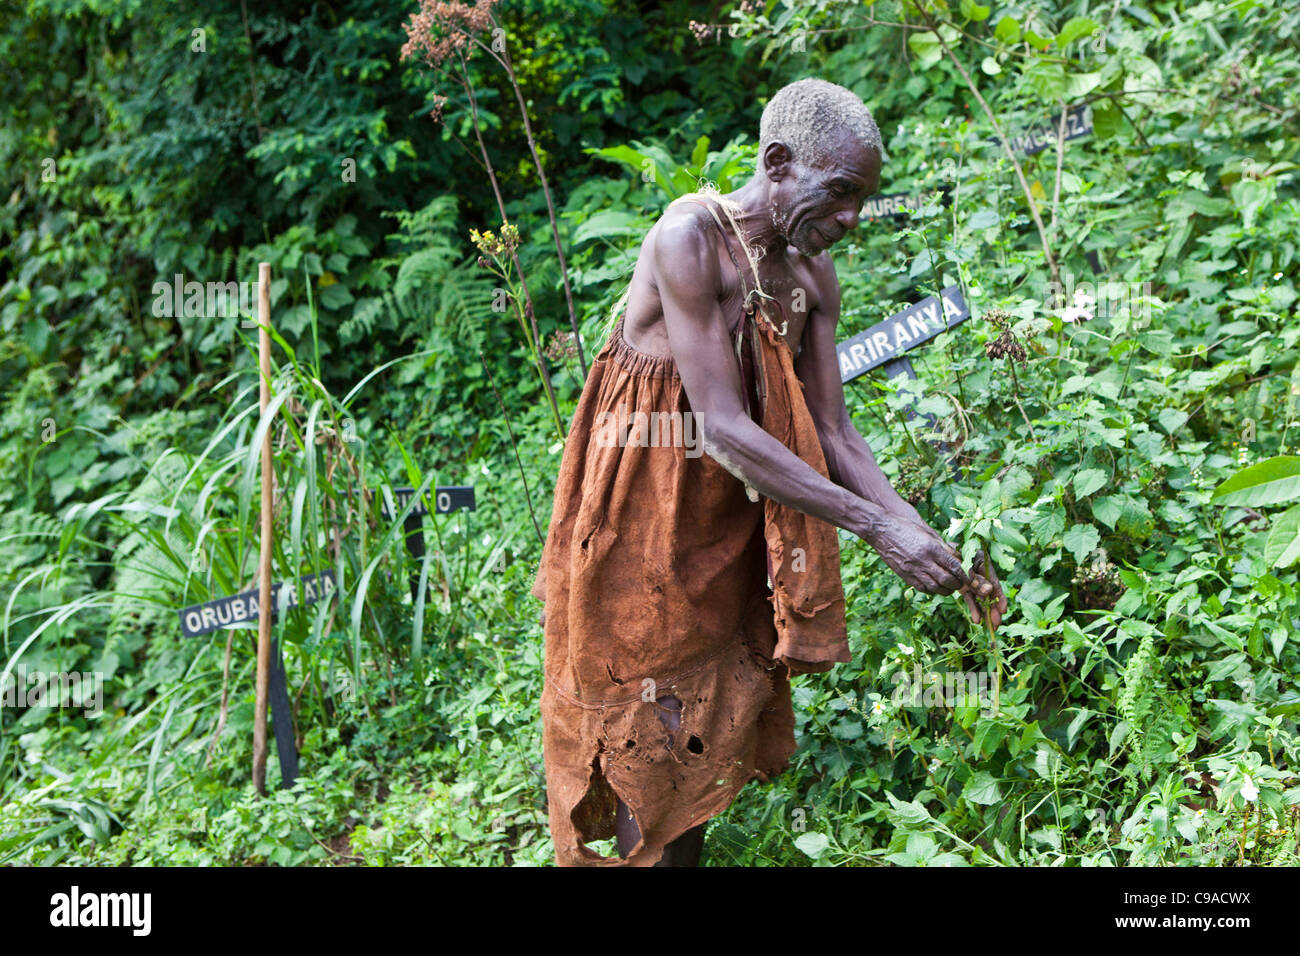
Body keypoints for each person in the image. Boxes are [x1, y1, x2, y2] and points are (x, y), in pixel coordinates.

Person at [531, 77, 1007, 867]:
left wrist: (923, 539)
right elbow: (719, 426)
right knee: (646, 718)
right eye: (843, 194)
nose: (853, 219)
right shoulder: (688, 240)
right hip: (640, 505)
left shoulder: (812, 278)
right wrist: (872, 526)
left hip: (729, 509)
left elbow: (833, 430)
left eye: (864, 200)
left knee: (698, 707)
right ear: (779, 163)